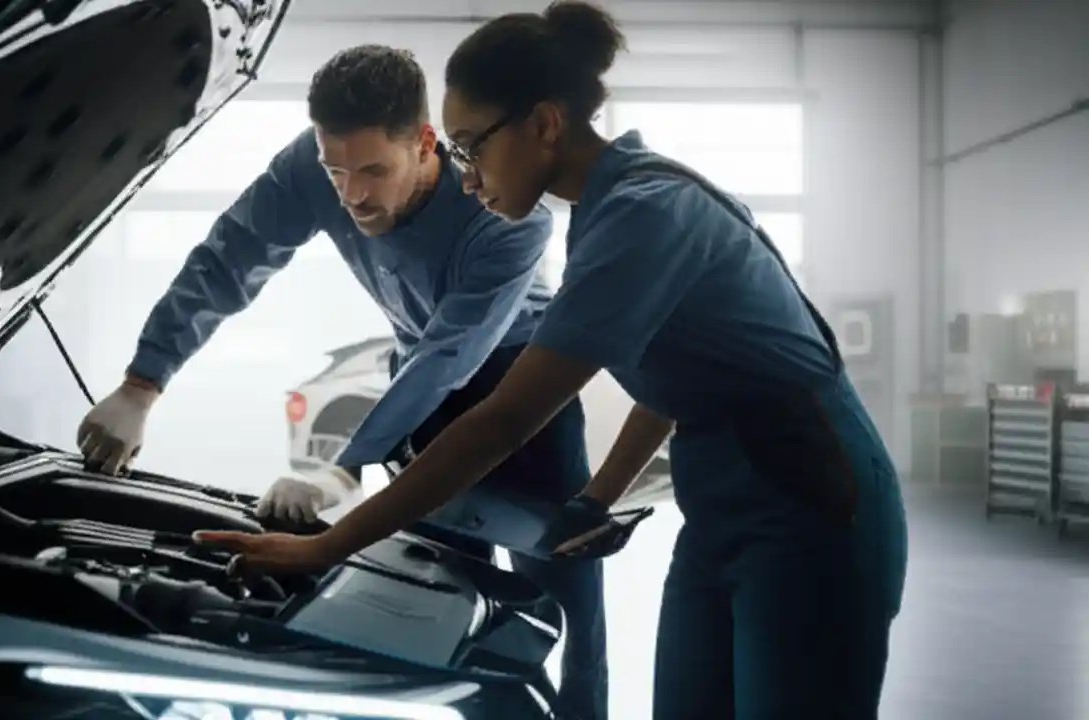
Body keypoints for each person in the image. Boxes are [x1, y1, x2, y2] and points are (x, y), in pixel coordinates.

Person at [192, 2, 910, 718]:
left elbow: (503, 422)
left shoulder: (647, 212)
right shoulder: (605, 211)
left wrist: (327, 547)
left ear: (544, 124)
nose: (464, 177)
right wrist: (597, 497)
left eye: (471, 147)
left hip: (811, 495)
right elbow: (678, 375)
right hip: (717, 505)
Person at [76, 44, 609, 720]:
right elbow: (229, 259)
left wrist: (341, 473)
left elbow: (451, 357)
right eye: (337, 171)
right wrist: (141, 384)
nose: (352, 194)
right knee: (440, 609)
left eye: (373, 171)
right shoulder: (312, 165)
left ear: (424, 144)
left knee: (566, 611)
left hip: (523, 401)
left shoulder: (511, 220)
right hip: (418, 388)